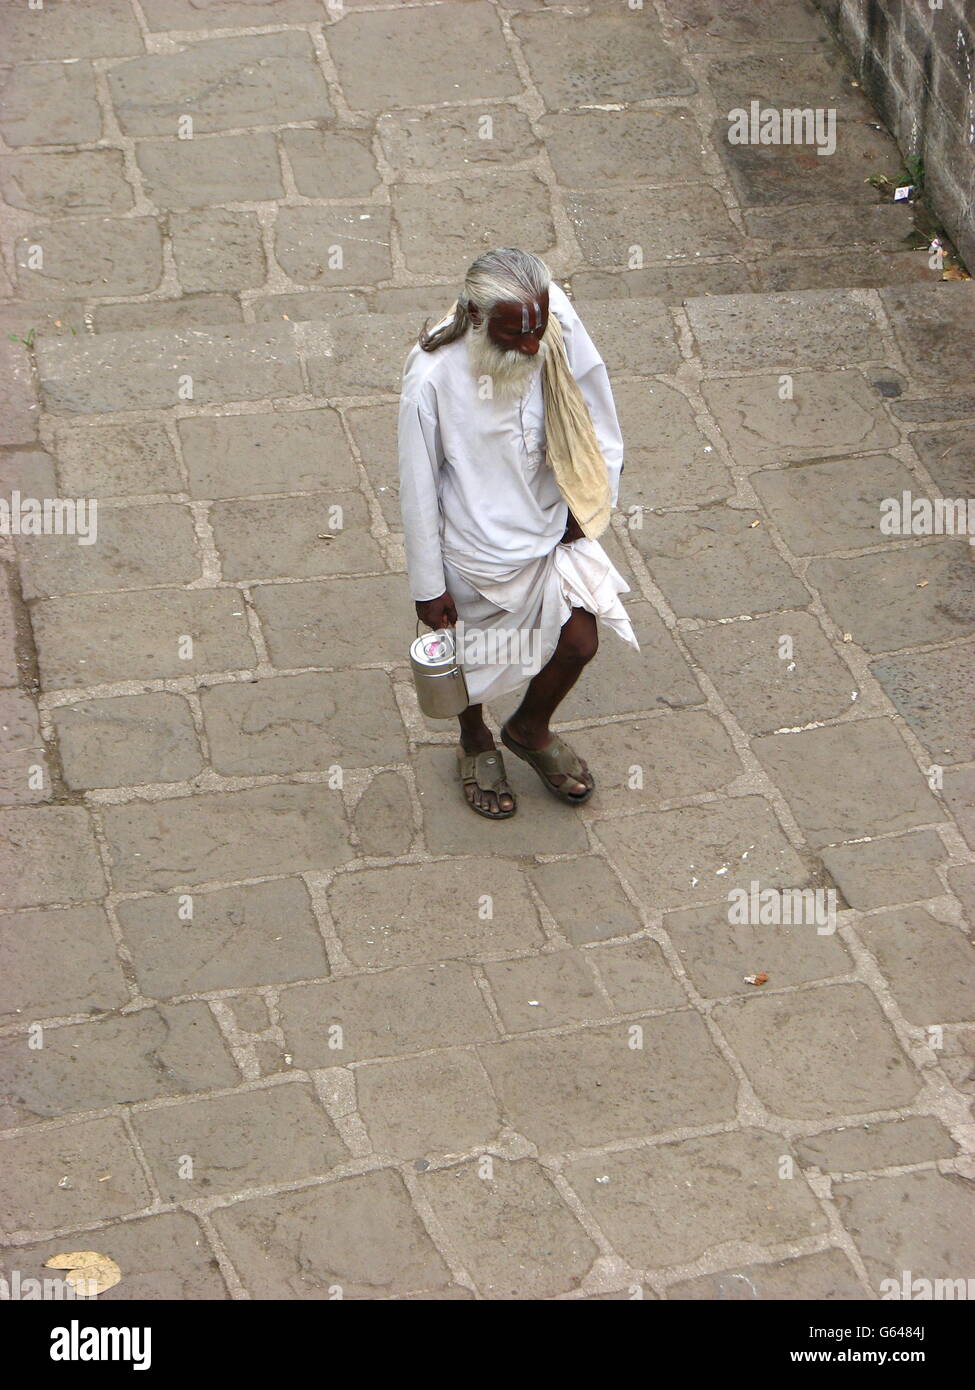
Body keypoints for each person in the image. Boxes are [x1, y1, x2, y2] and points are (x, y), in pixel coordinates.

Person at [397, 247, 638, 819]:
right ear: (478, 320)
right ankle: (475, 741)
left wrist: (594, 495)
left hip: (556, 531)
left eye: (538, 329)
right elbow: (417, 486)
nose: (533, 347)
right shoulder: (432, 376)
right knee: (469, 663)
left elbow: (595, 407)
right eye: (516, 336)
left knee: (580, 643)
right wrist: (429, 589)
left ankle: (529, 729)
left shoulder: (552, 322)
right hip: (476, 554)